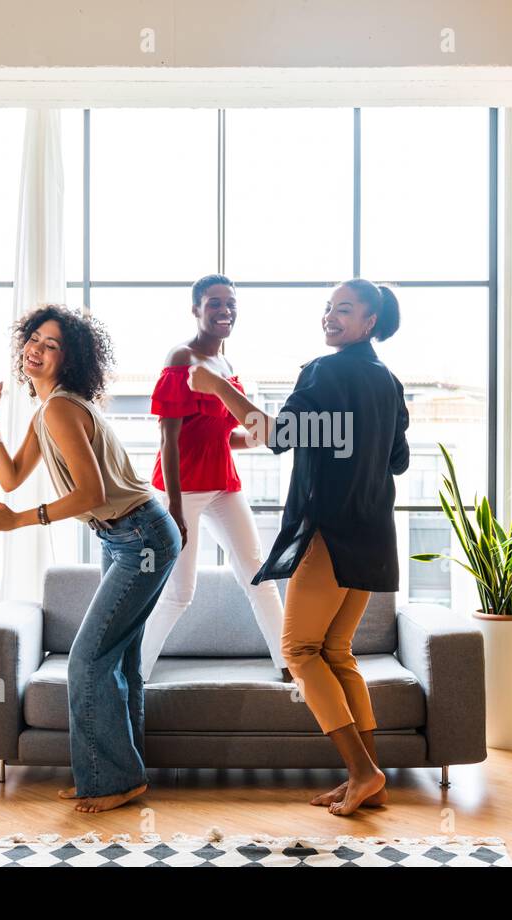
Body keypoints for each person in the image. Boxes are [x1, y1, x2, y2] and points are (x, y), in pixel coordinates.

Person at [188, 279, 409, 816]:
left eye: (345, 309)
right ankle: (369, 778)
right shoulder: (389, 381)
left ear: (369, 321)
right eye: (328, 308)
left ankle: (361, 771)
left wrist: (215, 386)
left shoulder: (325, 370)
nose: (330, 317)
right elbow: (395, 459)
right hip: (374, 534)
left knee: (300, 652)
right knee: (337, 652)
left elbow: (277, 433)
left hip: (331, 533)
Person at [0, 304, 181, 813]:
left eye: (50, 345)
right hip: (128, 538)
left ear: (69, 359)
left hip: (141, 538)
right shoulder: (48, 409)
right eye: (33, 339)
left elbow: (88, 493)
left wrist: (18, 520)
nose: (36, 350)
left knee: (88, 660)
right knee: (120, 660)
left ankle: (110, 778)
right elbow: (11, 476)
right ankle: (116, 774)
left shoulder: (62, 409)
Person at [141, 275, 288, 681]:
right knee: (179, 594)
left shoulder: (227, 365)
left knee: (258, 574)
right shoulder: (181, 359)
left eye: (231, 303)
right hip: (181, 488)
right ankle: (135, 673)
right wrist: (173, 508)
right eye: (214, 303)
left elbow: (226, 436)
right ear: (196, 310)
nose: (225, 311)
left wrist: (261, 438)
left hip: (223, 484)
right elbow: (168, 438)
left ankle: (289, 665)